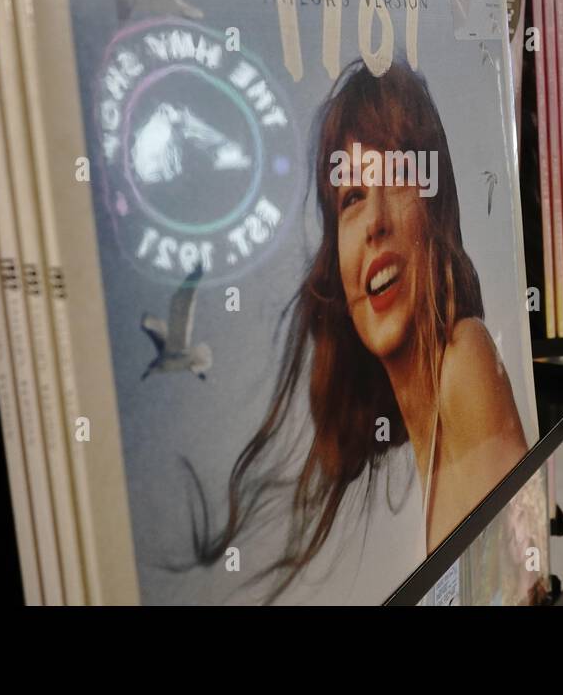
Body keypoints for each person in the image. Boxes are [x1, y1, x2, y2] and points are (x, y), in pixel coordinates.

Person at [190, 58, 526, 602]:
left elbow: (520, 585)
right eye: (350, 199)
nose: (374, 223)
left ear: (434, 208)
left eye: (394, 179)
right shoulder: (429, 437)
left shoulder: (466, 360)